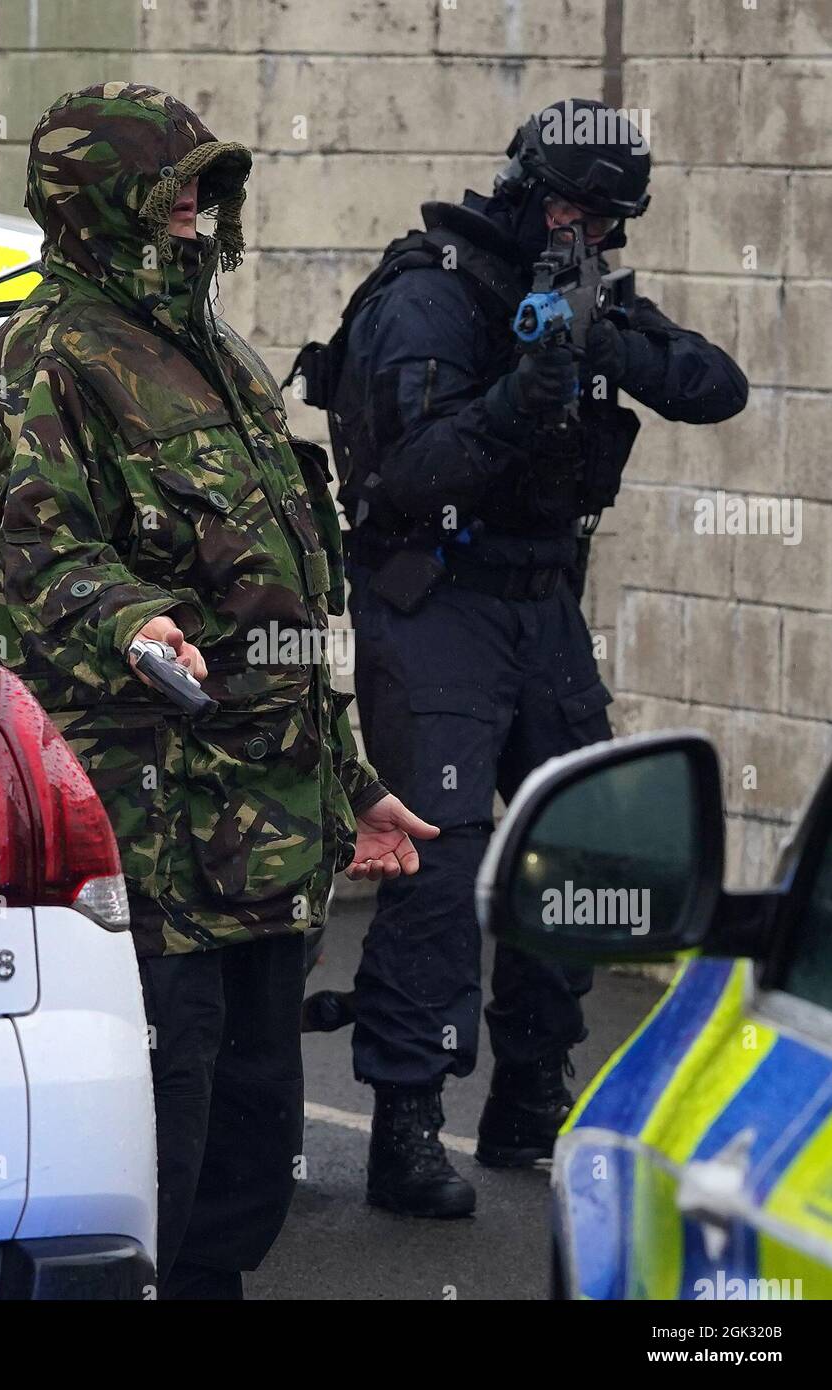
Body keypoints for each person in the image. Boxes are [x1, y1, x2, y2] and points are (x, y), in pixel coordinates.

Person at [0, 82, 436, 1297]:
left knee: (255, 1136)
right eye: (169, 191)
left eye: (206, 191)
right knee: (158, 1136)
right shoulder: (41, 360)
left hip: (266, 841)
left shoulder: (216, 358)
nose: (193, 213)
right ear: (92, 202)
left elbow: (287, 603)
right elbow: (41, 550)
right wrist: (131, 619)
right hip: (150, 836)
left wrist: (354, 786)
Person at [321, 98, 749, 1217]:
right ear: (521, 188)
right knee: (440, 855)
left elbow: (715, 386)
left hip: (541, 601)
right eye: (568, 206)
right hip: (435, 596)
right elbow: (402, 476)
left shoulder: (590, 289)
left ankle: (529, 1097)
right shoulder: (431, 291)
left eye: (604, 218)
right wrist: (520, 397)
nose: (583, 230)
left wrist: (597, 335)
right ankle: (407, 1121)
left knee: (585, 845)